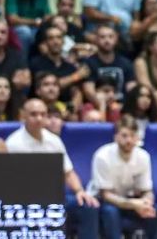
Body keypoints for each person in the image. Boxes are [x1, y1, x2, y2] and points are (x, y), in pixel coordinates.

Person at [7, 98, 100, 239]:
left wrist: (80, 191)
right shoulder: (13, 143)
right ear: (23, 116)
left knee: (88, 206)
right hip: (25, 201)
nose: (39, 118)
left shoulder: (54, 141)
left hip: (56, 197)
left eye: (43, 114)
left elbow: (68, 172)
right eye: (33, 114)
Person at [90, 115, 157, 239]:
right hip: (106, 201)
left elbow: (147, 190)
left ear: (137, 137)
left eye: (132, 135)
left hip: (131, 200)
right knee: (111, 212)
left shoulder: (143, 156)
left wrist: (146, 202)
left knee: (155, 210)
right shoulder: (102, 156)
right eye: (124, 135)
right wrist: (134, 204)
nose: (129, 140)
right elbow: (106, 195)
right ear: (115, 137)